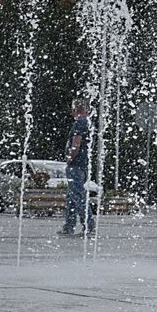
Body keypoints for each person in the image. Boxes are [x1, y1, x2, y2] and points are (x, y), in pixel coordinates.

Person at [60, 97, 95, 237]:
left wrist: (69, 158)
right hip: (83, 164)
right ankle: (69, 225)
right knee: (71, 197)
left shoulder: (80, 123)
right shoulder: (88, 122)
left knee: (78, 196)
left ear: (75, 109)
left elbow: (76, 143)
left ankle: (89, 225)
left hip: (76, 165)